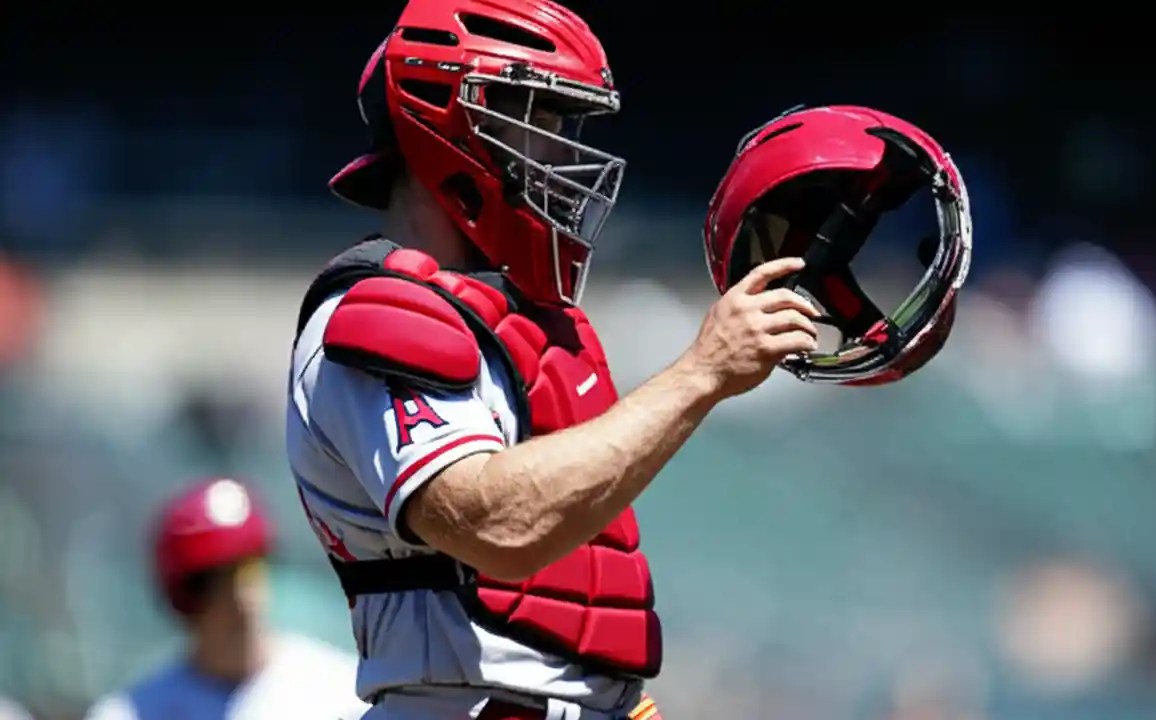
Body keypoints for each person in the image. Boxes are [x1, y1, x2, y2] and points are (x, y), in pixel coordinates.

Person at [284, 1, 822, 718]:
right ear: (446, 119)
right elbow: (493, 529)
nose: (563, 154)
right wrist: (702, 374)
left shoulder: (515, 322)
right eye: (538, 121)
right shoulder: (378, 315)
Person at [83, 478, 369, 720]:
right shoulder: (130, 713)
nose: (240, 596)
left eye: (247, 568)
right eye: (215, 581)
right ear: (184, 596)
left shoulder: (342, 692)